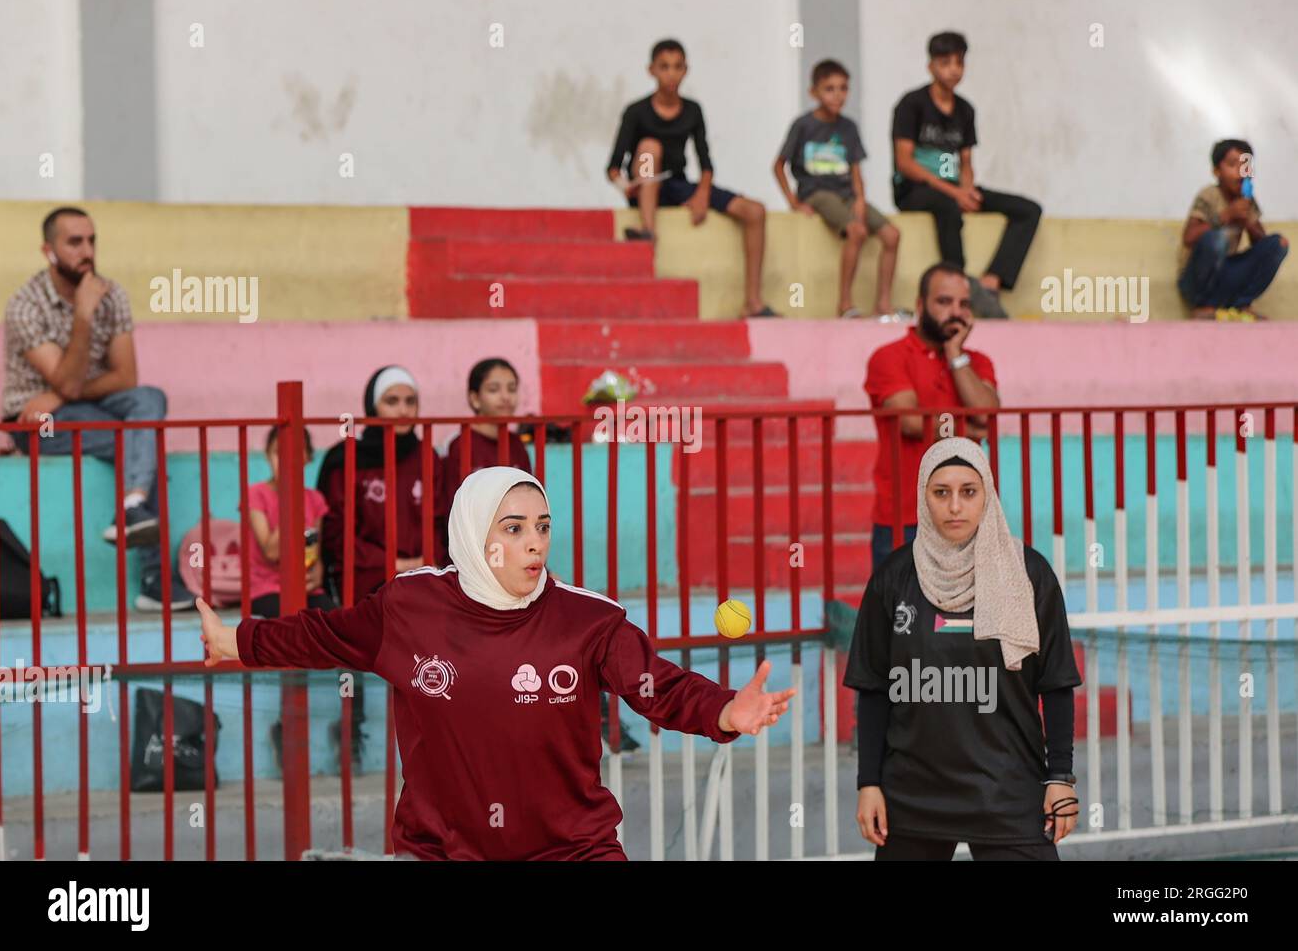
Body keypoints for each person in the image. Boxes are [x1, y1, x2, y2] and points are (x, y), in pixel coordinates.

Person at [196, 466, 796, 860]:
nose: (535, 542)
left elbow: (658, 688)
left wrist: (724, 710)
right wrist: (233, 642)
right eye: (513, 528)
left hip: (573, 849)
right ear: (473, 533)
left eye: (542, 526)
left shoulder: (588, 621)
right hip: (443, 850)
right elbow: (320, 636)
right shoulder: (409, 609)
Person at [846, 437, 1081, 860]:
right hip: (914, 795)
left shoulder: (1028, 574)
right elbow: (874, 688)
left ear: (987, 495)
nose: (955, 506)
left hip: (1007, 791)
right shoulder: (894, 577)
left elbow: (1057, 683)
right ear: (924, 499)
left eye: (968, 492)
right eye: (941, 493)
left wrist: (1060, 777)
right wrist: (869, 783)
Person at [1, 206, 192, 611]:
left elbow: (125, 378)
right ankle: (156, 581)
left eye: (91, 240)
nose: (86, 251)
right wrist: (83, 315)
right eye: (74, 242)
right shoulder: (24, 306)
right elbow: (67, 380)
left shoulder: (113, 293)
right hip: (39, 426)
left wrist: (61, 392)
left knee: (150, 400)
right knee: (143, 437)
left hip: (83, 405)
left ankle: (132, 505)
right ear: (48, 251)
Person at [317, 366, 445, 763]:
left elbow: (444, 520)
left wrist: (424, 562)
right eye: (393, 401)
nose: (403, 411)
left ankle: (437, 734)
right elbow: (336, 532)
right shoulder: (345, 459)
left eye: (411, 402)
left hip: (423, 574)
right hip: (364, 575)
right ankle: (350, 727)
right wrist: (391, 563)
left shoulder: (429, 457)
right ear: (372, 406)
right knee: (355, 635)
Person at [607, 38, 777, 318]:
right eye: (664, 67)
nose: (671, 74)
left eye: (677, 67)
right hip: (646, 188)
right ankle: (648, 229)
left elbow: (705, 161)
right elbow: (613, 168)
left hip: (678, 184)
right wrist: (626, 187)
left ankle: (753, 301)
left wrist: (701, 195)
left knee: (755, 211)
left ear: (686, 70)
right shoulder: (636, 111)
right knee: (651, 147)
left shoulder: (692, 110)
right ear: (651, 70)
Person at [864, 262, 999, 571]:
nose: (955, 312)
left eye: (963, 304)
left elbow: (987, 414)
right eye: (944, 302)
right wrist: (972, 421)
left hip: (968, 515)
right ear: (920, 305)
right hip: (905, 517)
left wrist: (955, 355)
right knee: (901, 616)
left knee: (969, 616)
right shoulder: (889, 357)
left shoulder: (976, 362)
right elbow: (912, 422)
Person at [891, 32, 1041, 301]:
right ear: (931, 66)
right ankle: (958, 282)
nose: (953, 70)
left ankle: (992, 281)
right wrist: (954, 194)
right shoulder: (911, 105)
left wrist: (967, 190)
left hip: (952, 186)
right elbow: (905, 162)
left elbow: (965, 161)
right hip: (915, 189)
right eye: (945, 63)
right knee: (947, 207)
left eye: (959, 63)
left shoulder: (964, 110)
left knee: (1028, 210)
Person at [775, 58, 900, 319]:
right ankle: (844, 304)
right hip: (817, 193)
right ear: (814, 92)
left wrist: (861, 200)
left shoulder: (848, 127)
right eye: (829, 88)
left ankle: (883, 303)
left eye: (843, 88)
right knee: (856, 232)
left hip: (847, 194)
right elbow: (779, 165)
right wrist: (793, 202)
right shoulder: (803, 125)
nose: (837, 95)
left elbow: (856, 170)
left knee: (892, 235)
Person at [245, 425, 337, 769]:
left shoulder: (315, 500)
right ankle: (287, 727)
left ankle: (351, 729)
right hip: (267, 588)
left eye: (295, 453)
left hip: (306, 586)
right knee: (292, 635)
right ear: (267, 456)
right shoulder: (258, 495)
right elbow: (270, 549)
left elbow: (317, 552)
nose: (285, 460)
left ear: (308, 459)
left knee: (343, 630)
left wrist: (315, 572)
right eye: (277, 452)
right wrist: (290, 501)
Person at [1178, 139, 1289, 321]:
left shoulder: (1247, 200)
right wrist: (1225, 216)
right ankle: (1203, 305)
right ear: (1216, 171)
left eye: (1245, 166)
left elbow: (1260, 247)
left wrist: (1248, 222)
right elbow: (1189, 237)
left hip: (1226, 276)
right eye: (1232, 165)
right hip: (1195, 280)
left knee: (1278, 244)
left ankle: (1241, 304)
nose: (1240, 172)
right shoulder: (1209, 195)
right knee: (1217, 239)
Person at [441, 358, 532, 524]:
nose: (505, 397)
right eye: (493, 389)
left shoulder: (517, 445)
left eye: (512, 389)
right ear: (474, 398)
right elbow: (454, 508)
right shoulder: (461, 446)